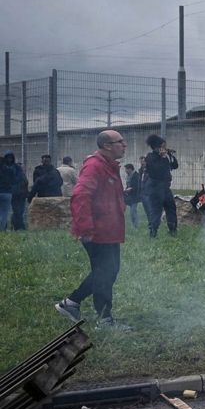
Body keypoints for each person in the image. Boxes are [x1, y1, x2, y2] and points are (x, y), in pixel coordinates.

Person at [55, 131, 128, 328]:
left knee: (107, 271)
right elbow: (80, 196)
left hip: (108, 230)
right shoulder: (95, 166)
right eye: (120, 142)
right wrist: (86, 227)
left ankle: (72, 303)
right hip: (97, 231)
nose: (125, 144)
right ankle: (104, 319)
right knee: (105, 272)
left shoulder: (109, 165)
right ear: (107, 146)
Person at [142, 134, 179, 237]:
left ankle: (173, 230)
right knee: (156, 211)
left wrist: (170, 155)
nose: (164, 148)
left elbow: (175, 165)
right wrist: (162, 157)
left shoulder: (165, 156)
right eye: (162, 146)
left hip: (165, 188)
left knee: (171, 208)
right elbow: (156, 171)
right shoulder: (150, 157)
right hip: (155, 188)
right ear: (157, 147)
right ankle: (153, 231)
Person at [0, 151, 22, 229]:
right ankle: (2, 230)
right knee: (4, 213)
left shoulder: (3, 167)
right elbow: (18, 179)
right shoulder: (15, 168)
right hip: (8, 192)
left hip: (7, 192)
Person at [122, 163, 141, 228]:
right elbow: (128, 185)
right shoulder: (128, 175)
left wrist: (129, 189)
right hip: (128, 196)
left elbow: (136, 187)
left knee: (133, 212)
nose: (125, 171)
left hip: (134, 196)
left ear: (130, 169)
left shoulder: (136, 175)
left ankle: (135, 226)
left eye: (126, 169)